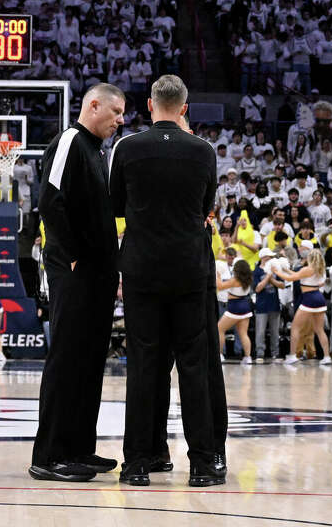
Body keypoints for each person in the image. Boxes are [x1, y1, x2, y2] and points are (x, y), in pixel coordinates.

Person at [111, 75, 223, 488]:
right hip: (189, 270)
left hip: (141, 270)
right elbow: (205, 205)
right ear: (185, 108)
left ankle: (138, 463)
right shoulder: (202, 151)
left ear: (149, 104)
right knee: (194, 366)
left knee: (143, 366)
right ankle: (204, 464)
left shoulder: (127, 147)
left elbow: (116, 203)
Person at [29, 83, 125, 483]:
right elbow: (50, 199)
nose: (120, 121)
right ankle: (49, 456)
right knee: (67, 360)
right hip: (74, 271)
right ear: (94, 104)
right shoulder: (70, 139)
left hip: (98, 274)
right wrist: (69, 255)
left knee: (88, 364)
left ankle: (79, 448)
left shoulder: (98, 152)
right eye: (116, 112)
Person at [277, 249, 332, 366]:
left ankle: (292, 356)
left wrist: (276, 271)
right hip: (319, 298)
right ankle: (327, 356)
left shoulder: (308, 269)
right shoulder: (321, 270)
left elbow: (291, 279)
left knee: (295, 327)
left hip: (309, 298)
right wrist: (286, 270)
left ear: (310, 258)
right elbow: (298, 275)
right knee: (319, 329)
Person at [217, 258, 254, 365]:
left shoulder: (235, 280)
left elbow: (220, 286)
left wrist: (218, 274)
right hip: (245, 306)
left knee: (219, 329)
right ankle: (248, 357)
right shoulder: (249, 278)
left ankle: (220, 354)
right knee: (243, 333)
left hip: (235, 307)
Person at [252, 248, 283, 362]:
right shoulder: (257, 271)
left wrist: (272, 278)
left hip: (274, 305)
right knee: (260, 331)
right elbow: (257, 288)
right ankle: (260, 353)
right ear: (263, 258)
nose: (271, 259)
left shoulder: (275, 270)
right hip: (261, 306)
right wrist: (268, 277)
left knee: (275, 331)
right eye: (269, 257)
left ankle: (276, 353)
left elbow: (282, 285)